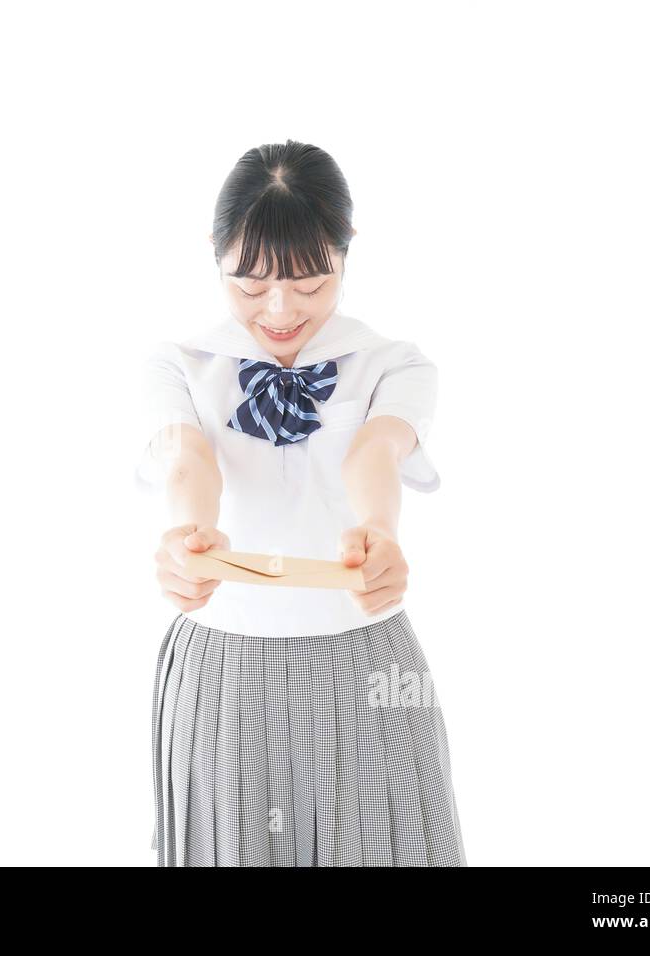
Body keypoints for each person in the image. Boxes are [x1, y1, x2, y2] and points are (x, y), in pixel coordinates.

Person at [137, 139, 467, 866]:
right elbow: (187, 457)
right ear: (213, 255)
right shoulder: (179, 365)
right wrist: (188, 536)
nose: (280, 309)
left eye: (310, 282)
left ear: (346, 253)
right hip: (223, 660)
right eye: (248, 285)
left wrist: (377, 532)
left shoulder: (395, 364)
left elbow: (374, 452)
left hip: (368, 655)